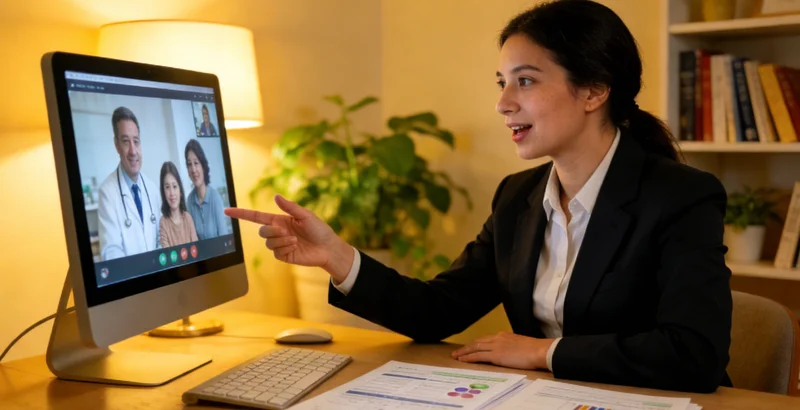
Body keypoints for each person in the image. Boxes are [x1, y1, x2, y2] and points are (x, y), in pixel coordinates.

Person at [225, 0, 733, 394]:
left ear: (593, 91)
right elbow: (437, 311)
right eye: (502, 82)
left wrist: (543, 353)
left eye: (525, 81)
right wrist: (337, 257)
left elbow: (693, 354)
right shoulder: (517, 198)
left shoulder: (681, 197)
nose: (502, 103)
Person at [97, 106, 161, 260]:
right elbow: (111, 252)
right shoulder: (107, 192)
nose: (133, 151)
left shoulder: (151, 188)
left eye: (136, 141)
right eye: (126, 142)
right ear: (117, 145)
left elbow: (161, 239)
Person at [185, 139, 229, 240]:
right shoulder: (190, 201)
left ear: (203, 166)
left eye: (196, 163)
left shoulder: (215, 198)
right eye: (189, 164)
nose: (193, 169)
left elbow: (224, 239)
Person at [158, 161, 198, 247]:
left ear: (180, 191)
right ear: (163, 192)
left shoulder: (188, 218)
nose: (172, 193)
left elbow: (196, 250)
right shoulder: (163, 223)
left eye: (175, 186)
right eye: (167, 187)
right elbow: (168, 255)